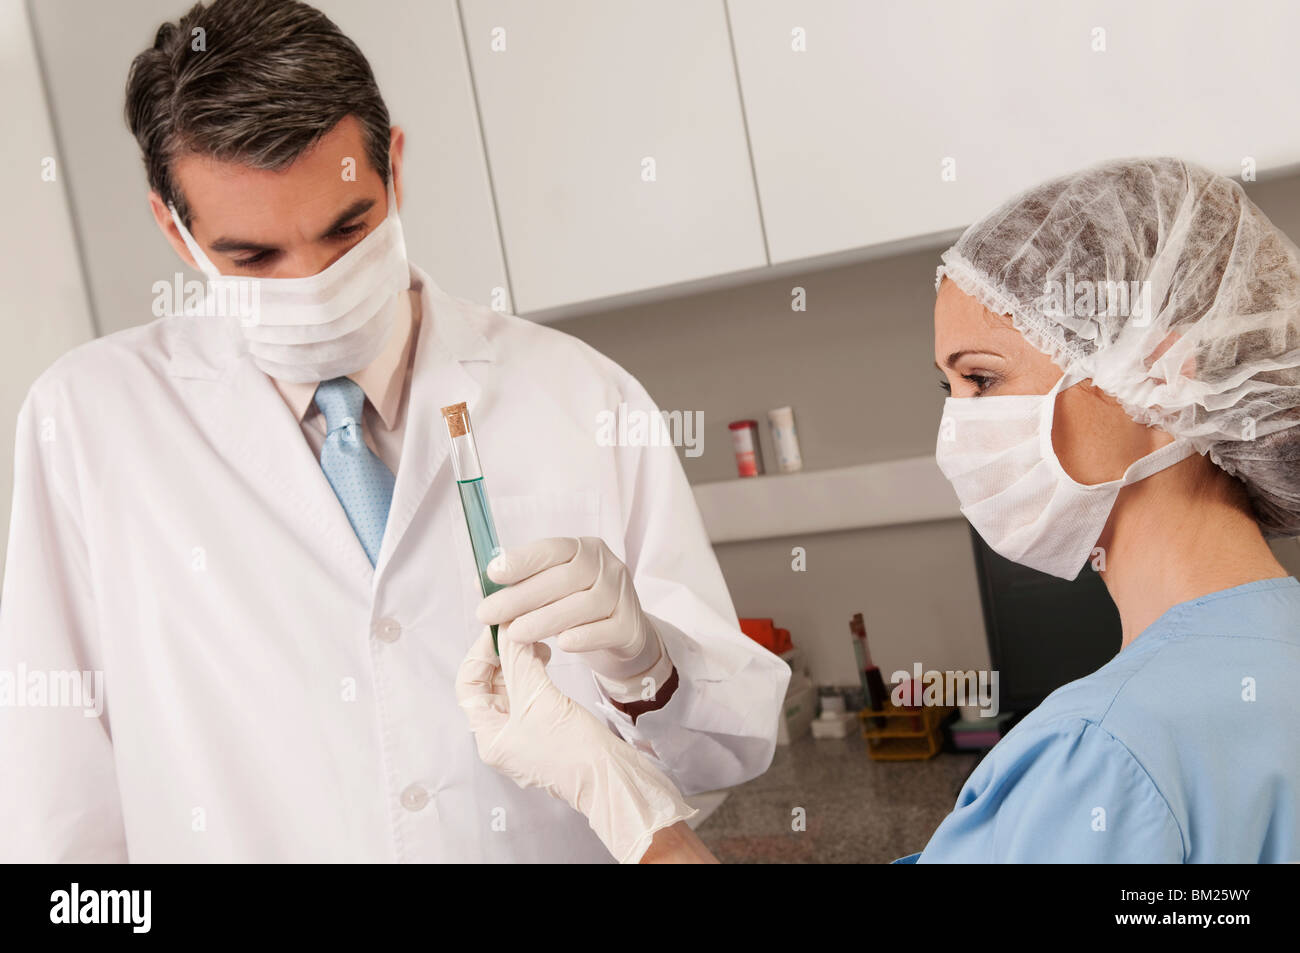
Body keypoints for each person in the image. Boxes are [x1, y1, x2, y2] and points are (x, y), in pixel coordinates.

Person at [0, 0, 790, 863]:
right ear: (174, 229)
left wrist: (649, 670)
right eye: (253, 256)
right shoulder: (88, 422)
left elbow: (729, 754)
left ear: (395, 169)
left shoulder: (578, 391)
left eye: (348, 228)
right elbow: (57, 813)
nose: (313, 281)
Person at [459, 157, 1300, 863]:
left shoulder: (1108, 756)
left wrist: (633, 811)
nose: (958, 427)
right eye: (949, 388)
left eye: (982, 379)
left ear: (1166, 375)